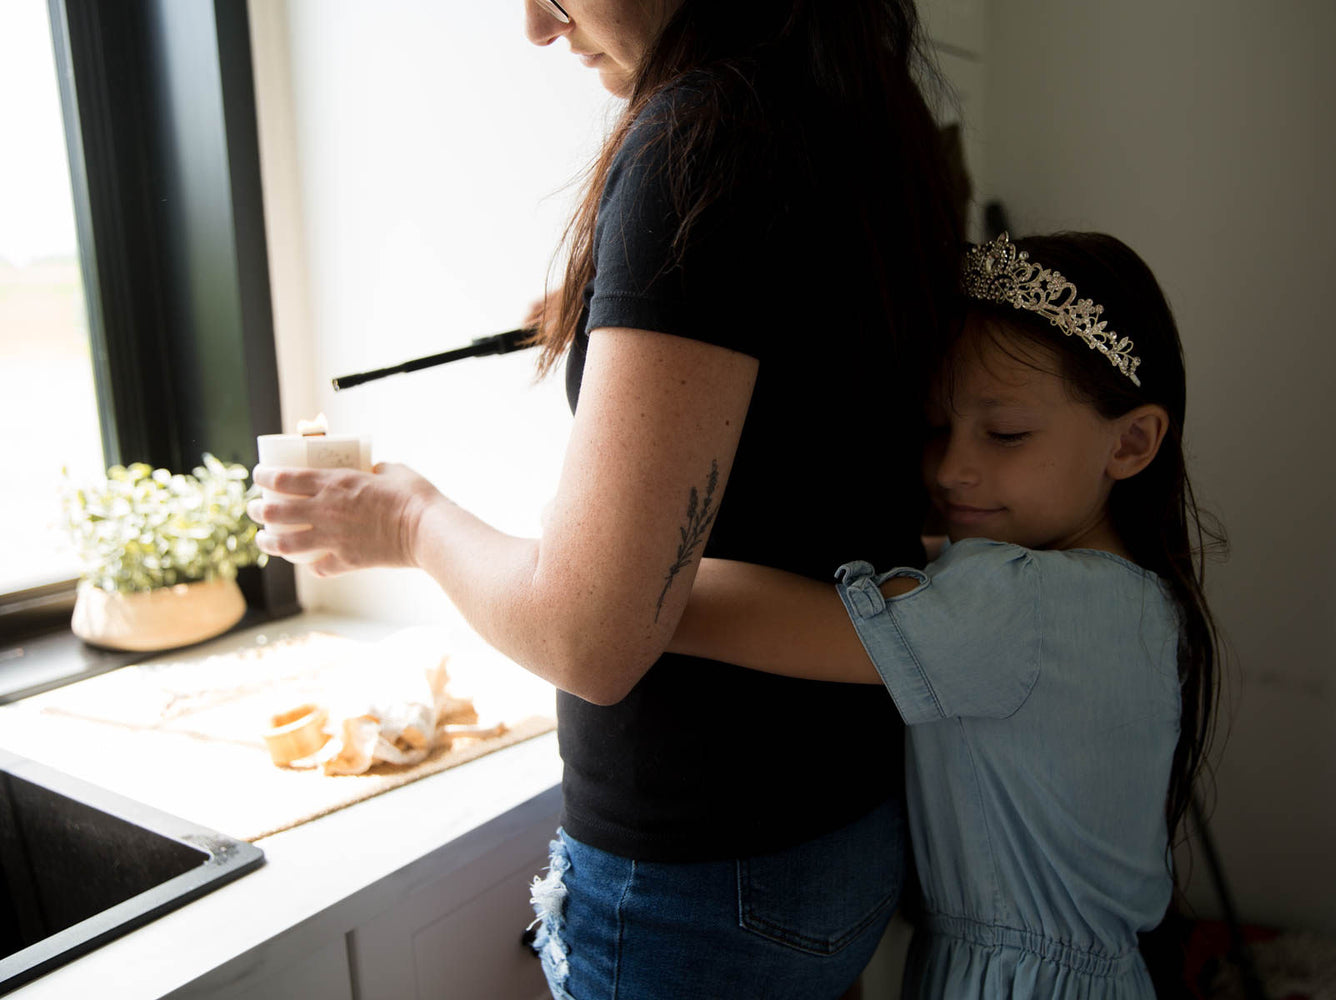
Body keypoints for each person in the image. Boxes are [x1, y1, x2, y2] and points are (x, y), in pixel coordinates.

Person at [249, 1, 965, 997]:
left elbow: (591, 633)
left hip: (704, 879)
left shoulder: (702, 140)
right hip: (841, 827)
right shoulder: (860, 113)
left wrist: (404, 520)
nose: (539, 24)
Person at [671, 231, 1225, 999]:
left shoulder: (1021, 606)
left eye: (1005, 434)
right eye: (937, 427)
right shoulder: (1128, 595)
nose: (952, 467)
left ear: (1131, 442)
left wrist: (452, 528)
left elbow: (689, 610)